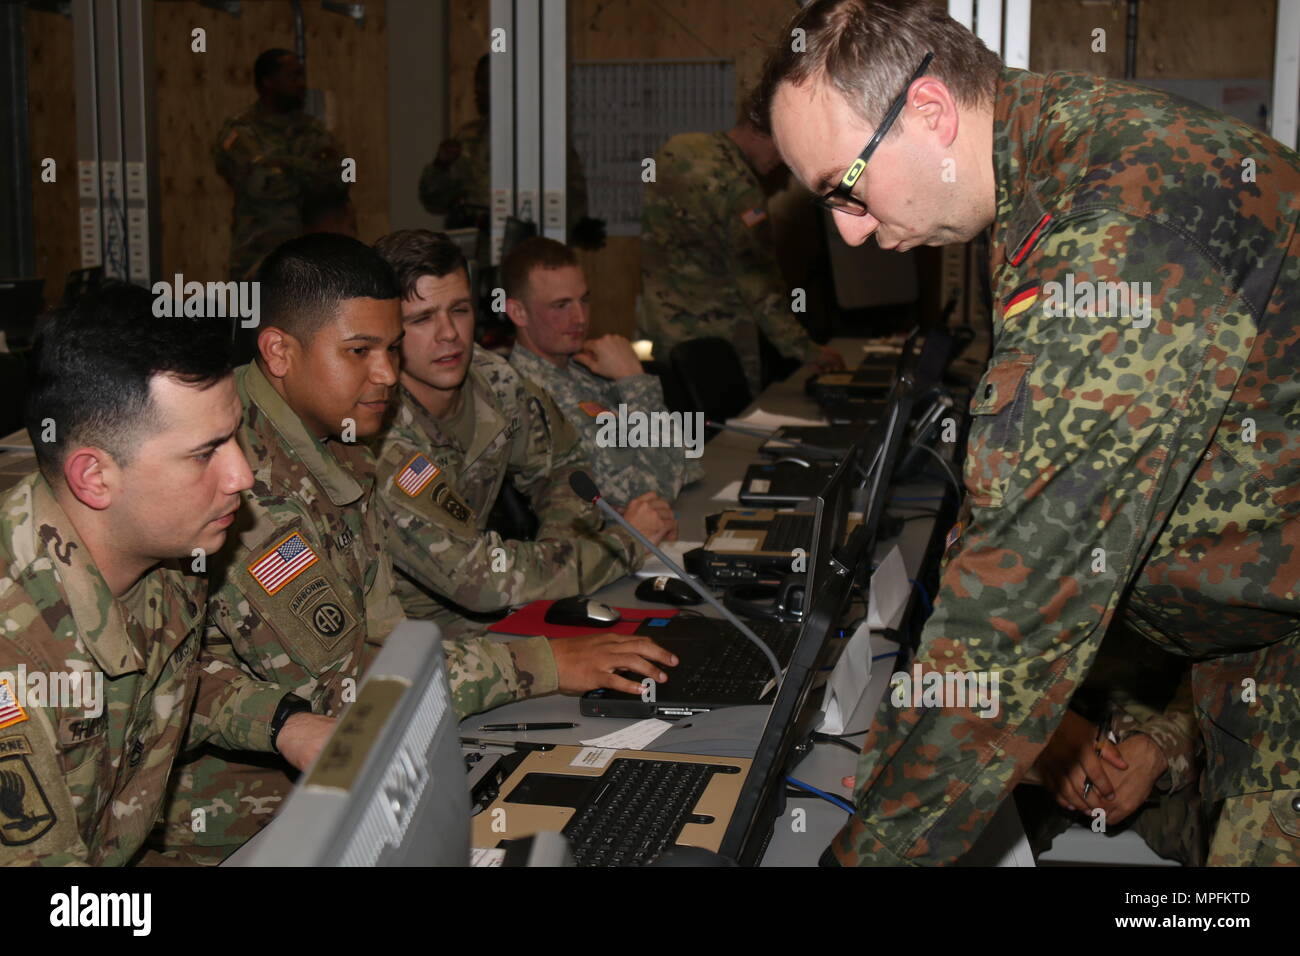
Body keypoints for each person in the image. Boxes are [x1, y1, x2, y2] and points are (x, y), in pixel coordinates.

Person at [758, 0, 1300, 866]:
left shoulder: (1114, 236)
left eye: (844, 187)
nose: (849, 228)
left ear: (930, 112)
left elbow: (1007, 621)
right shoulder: (1060, 159)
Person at [153, 234, 676, 864]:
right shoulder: (251, 486)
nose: (387, 373)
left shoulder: (336, 436)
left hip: (345, 779)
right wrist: (549, 665)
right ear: (279, 352)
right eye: (360, 351)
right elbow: (353, 689)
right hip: (248, 827)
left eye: (392, 349)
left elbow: (387, 635)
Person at [0, 284, 328, 865]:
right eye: (206, 452)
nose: (242, 475)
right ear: (94, 477)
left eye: (236, 437)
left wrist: (284, 723)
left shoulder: (169, 545)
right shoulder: (13, 660)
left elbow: (170, 675)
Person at [372, 229, 680, 630]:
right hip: (404, 645)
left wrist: (559, 549)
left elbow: (565, 463)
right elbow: (480, 582)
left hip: (495, 618)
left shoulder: (492, 380)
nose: (448, 334)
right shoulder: (377, 428)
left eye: (460, 310)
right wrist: (624, 545)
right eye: (422, 318)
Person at [640, 106, 844, 395]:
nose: (783, 162)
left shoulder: (677, 149)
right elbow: (758, 284)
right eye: (783, 147)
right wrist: (806, 350)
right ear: (760, 130)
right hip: (720, 344)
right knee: (728, 434)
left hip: (661, 331)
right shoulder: (741, 188)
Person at [503, 237, 703, 507]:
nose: (581, 318)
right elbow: (650, 493)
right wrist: (633, 380)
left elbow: (687, 461)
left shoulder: (583, 370)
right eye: (561, 305)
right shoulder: (527, 399)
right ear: (518, 312)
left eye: (584, 300)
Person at [213, 48, 344, 280]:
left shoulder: (312, 129)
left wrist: (283, 164)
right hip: (257, 262)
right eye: (293, 76)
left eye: (302, 76)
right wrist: (309, 171)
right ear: (268, 82)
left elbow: (339, 179)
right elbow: (263, 185)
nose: (302, 84)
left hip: (311, 263)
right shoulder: (241, 130)